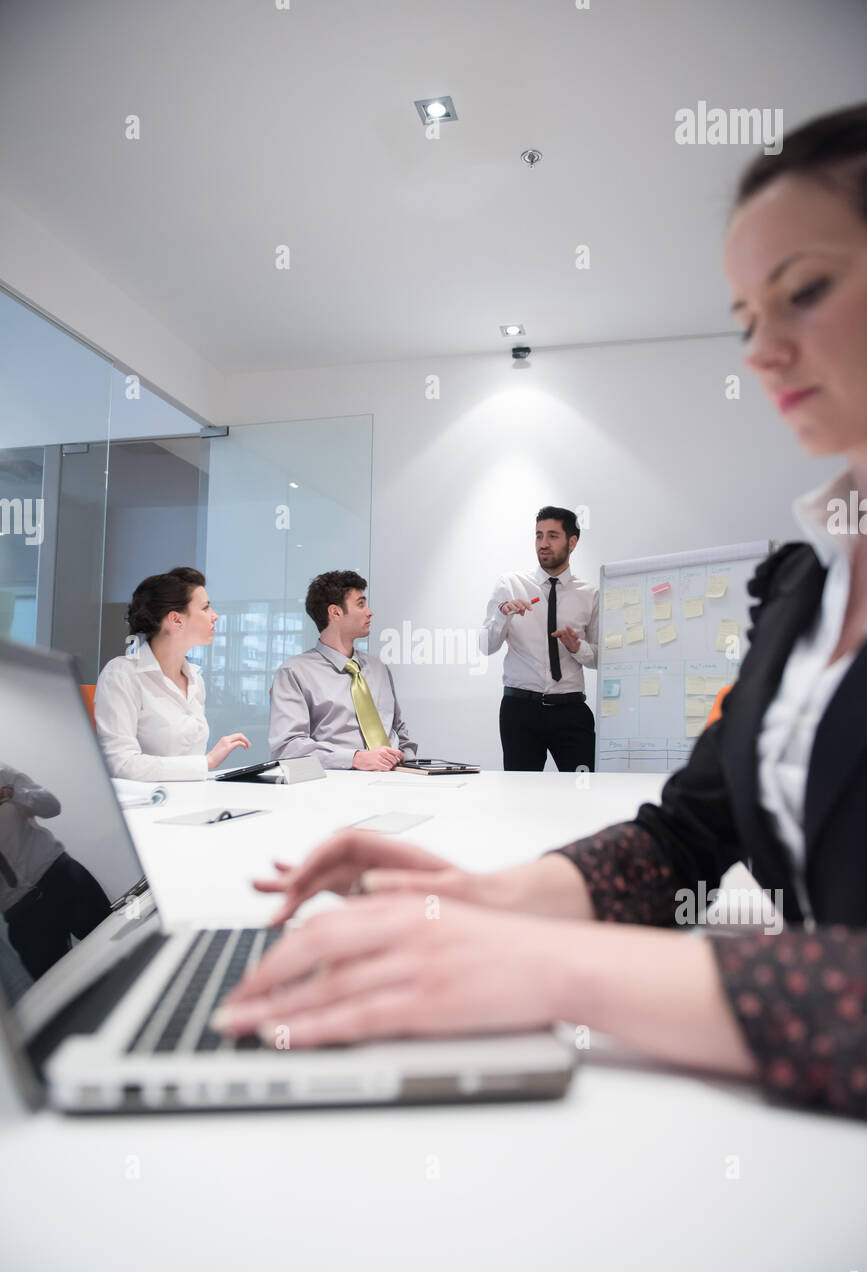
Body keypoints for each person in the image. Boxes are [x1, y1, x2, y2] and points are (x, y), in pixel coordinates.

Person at [214, 105, 867, 1120]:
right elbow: (685, 838)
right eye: (745, 320)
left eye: (806, 291)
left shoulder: (616, 589)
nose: (762, 354)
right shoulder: (804, 589)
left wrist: (548, 965)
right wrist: (483, 896)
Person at [95, 567, 250, 780]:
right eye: (205, 608)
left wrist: (202, 766)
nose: (214, 617)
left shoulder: (195, 678)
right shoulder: (122, 674)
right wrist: (206, 762)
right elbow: (121, 764)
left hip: (191, 798)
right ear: (176, 620)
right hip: (149, 806)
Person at [482, 507, 598, 771]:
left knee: (584, 791)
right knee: (520, 796)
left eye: (552, 536)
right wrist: (503, 615)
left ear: (572, 542)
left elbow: (601, 658)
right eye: (538, 536)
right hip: (520, 711)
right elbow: (486, 646)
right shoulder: (510, 584)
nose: (543, 544)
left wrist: (577, 647)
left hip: (571, 710)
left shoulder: (590, 594)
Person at [269, 570, 417, 771]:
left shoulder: (378, 669)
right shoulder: (294, 672)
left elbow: (398, 730)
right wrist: (355, 759)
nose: (369, 612)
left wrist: (408, 762)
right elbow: (287, 747)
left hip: (397, 781)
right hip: (336, 788)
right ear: (335, 612)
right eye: (361, 604)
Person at [0, 763, 110, 980]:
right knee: (58, 991)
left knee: (117, 949)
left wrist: (12, 793)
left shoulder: (2, 773)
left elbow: (52, 807)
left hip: (61, 877)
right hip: (21, 912)